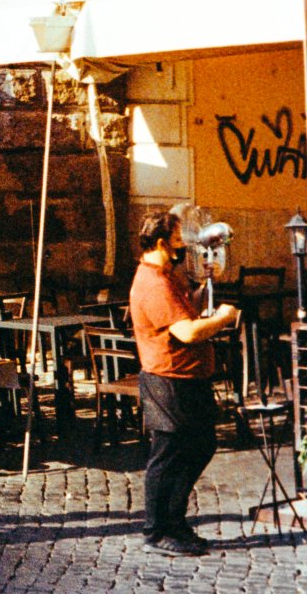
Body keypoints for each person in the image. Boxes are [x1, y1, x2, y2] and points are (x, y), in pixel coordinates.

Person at [130, 205, 238, 557]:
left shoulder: (165, 276)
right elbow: (188, 332)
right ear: (162, 242)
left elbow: (184, 312)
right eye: (178, 239)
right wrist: (222, 318)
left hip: (187, 378)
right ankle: (157, 530)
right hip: (168, 380)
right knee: (168, 454)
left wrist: (205, 290)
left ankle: (174, 522)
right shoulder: (154, 282)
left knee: (201, 444)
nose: (184, 245)